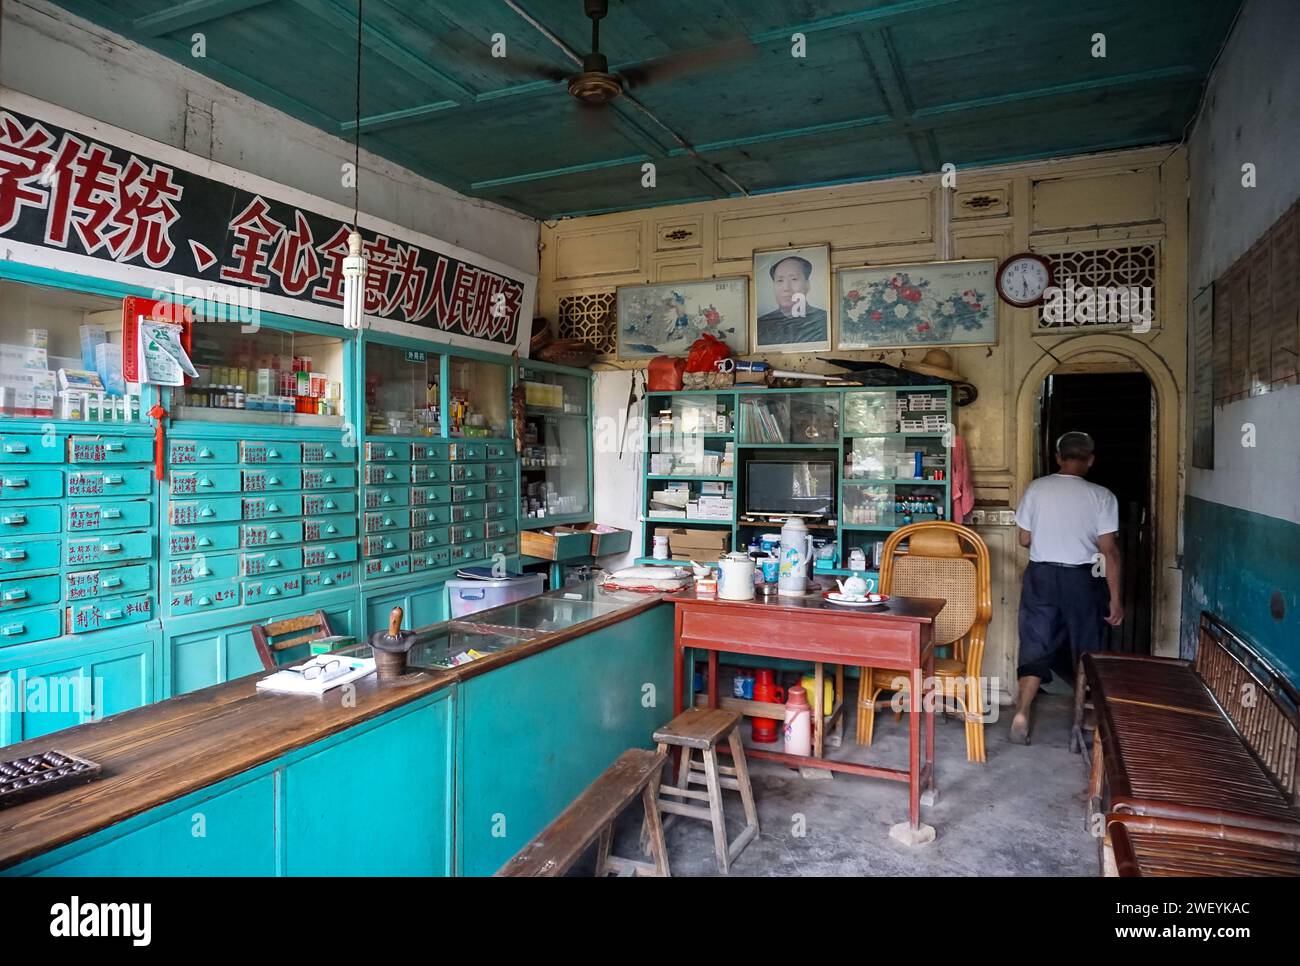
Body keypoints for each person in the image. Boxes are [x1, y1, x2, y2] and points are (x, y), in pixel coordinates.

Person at [1009, 431, 1123, 745]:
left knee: (1035, 643)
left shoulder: (1037, 488)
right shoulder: (1102, 496)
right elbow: (1108, 551)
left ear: (1058, 458)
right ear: (1090, 460)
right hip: (1082, 579)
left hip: (1041, 576)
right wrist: (1116, 599)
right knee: (1087, 648)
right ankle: (1080, 723)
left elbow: (1024, 540)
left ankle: (1021, 712)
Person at [757, 255, 827, 345]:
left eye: (794, 279)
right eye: (780, 280)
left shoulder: (824, 320)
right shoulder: (761, 324)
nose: (786, 288)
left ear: (807, 285)